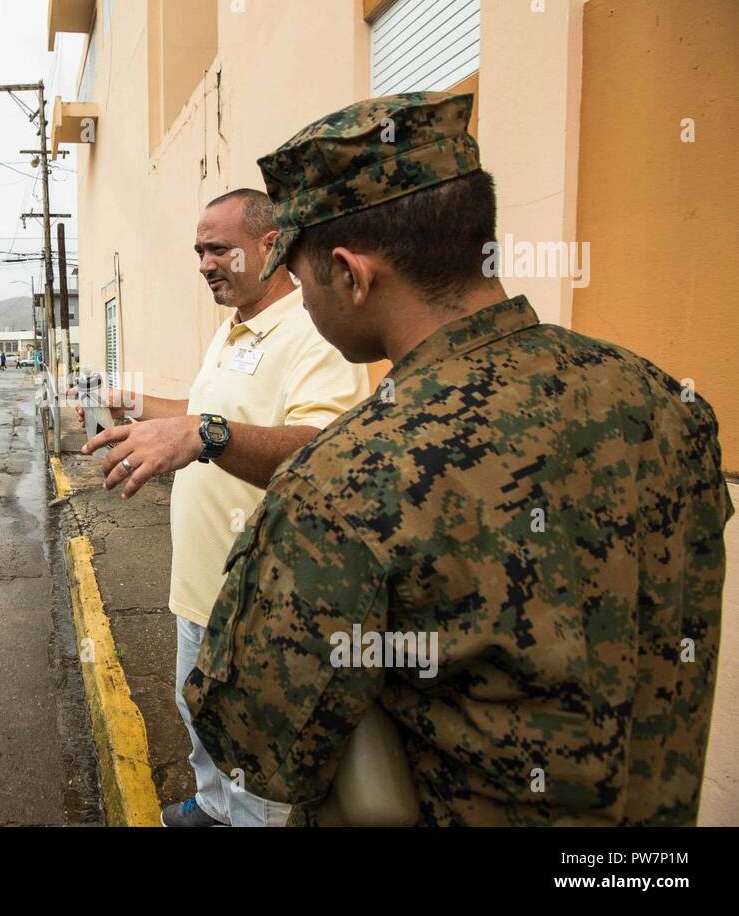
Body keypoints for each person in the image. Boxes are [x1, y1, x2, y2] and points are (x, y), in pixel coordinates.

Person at [185, 91, 732, 825]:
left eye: (303, 272)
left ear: (350, 273)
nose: (302, 296)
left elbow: (260, 745)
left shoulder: (347, 477)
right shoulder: (669, 407)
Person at [78, 188, 369, 826]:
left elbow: (326, 453)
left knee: (255, 751)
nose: (205, 263)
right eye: (199, 251)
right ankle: (212, 807)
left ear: (271, 245)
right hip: (201, 589)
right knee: (199, 715)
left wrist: (204, 432)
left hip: (261, 606)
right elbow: (198, 421)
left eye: (219, 249)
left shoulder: (314, 333)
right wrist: (131, 401)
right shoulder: (234, 331)